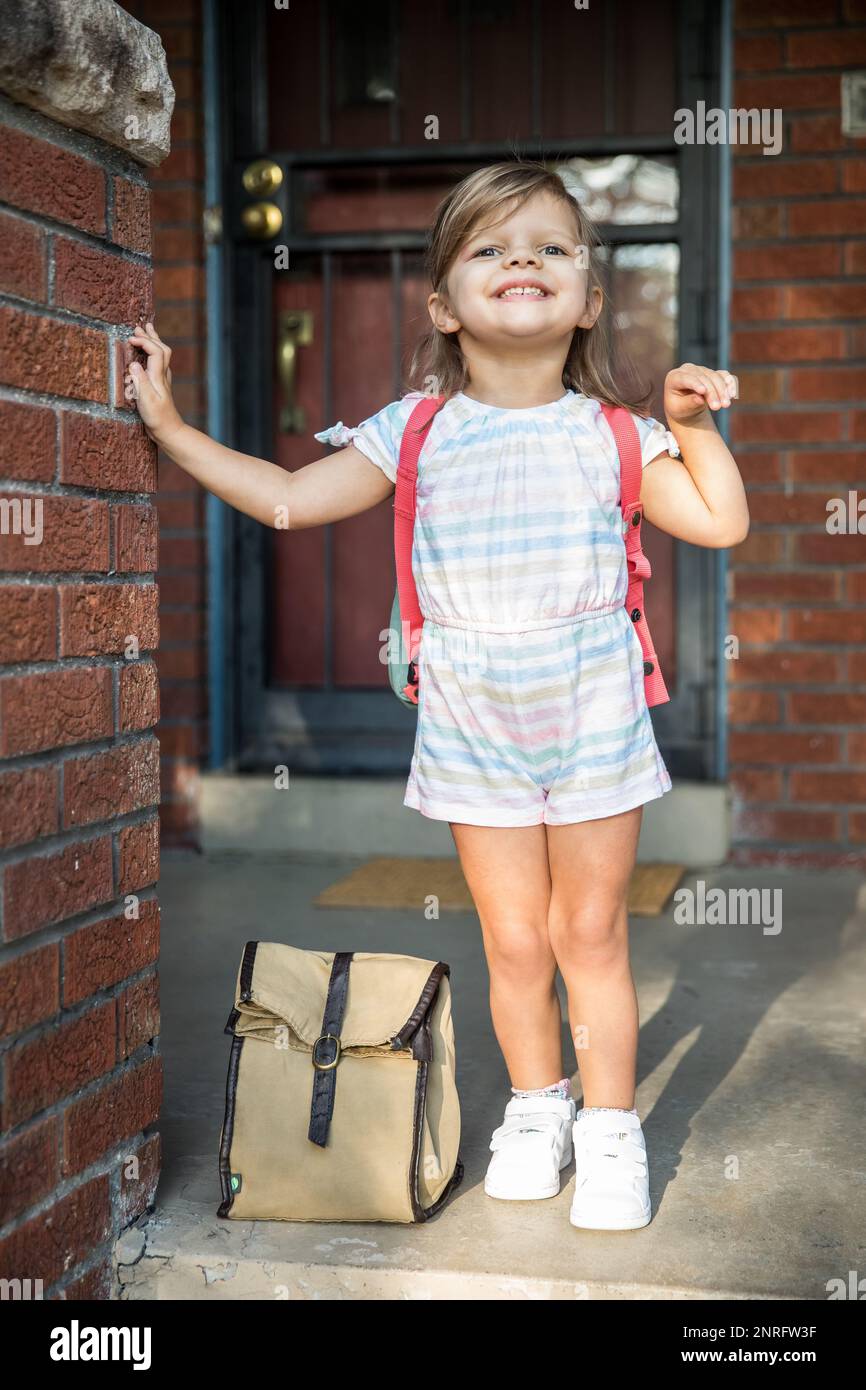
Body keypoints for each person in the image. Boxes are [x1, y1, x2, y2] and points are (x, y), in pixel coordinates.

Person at [125, 160, 748, 1233]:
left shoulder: (611, 431)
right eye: (489, 248)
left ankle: (607, 1129)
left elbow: (718, 521)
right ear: (443, 307)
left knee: (588, 931)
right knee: (513, 940)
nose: (521, 261)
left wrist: (687, 421)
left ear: (588, 300)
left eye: (551, 247)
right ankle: (536, 1108)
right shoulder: (413, 428)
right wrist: (171, 426)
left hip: (589, 705)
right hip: (471, 714)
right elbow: (282, 498)